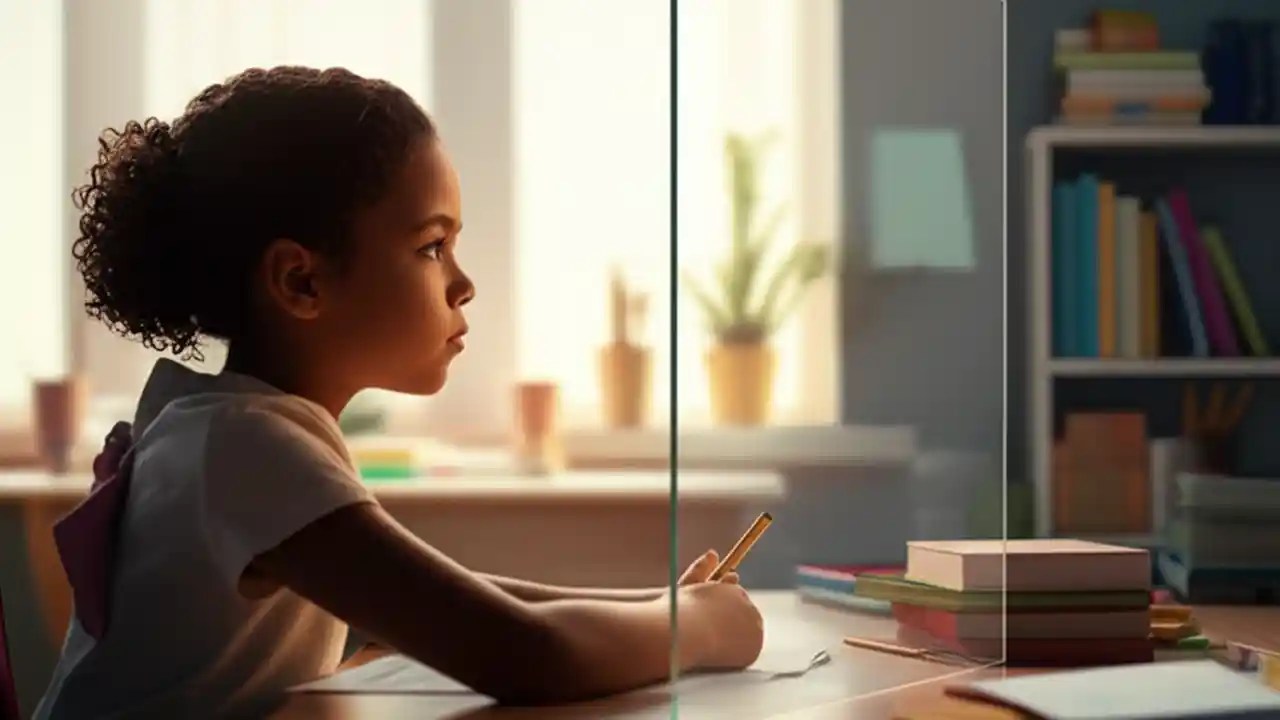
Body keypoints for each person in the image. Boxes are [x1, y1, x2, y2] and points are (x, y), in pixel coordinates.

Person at [34, 66, 763, 719]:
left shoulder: (223, 426)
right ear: (302, 282)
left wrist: (665, 605)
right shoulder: (244, 445)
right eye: (431, 247)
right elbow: (521, 651)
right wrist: (698, 628)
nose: (463, 283)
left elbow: (440, 599)